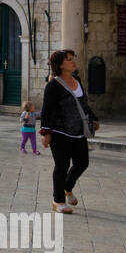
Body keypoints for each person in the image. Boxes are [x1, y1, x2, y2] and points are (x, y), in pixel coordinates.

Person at [39, 50, 99, 214]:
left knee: (82, 163)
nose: (73, 62)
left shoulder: (77, 80)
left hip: (79, 132)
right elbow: (47, 110)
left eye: (73, 59)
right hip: (60, 132)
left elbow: (83, 104)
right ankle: (58, 201)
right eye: (69, 60)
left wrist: (93, 118)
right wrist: (46, 133)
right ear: (60, 65)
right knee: (62, 166)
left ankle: (67, 186)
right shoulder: (53, 86)